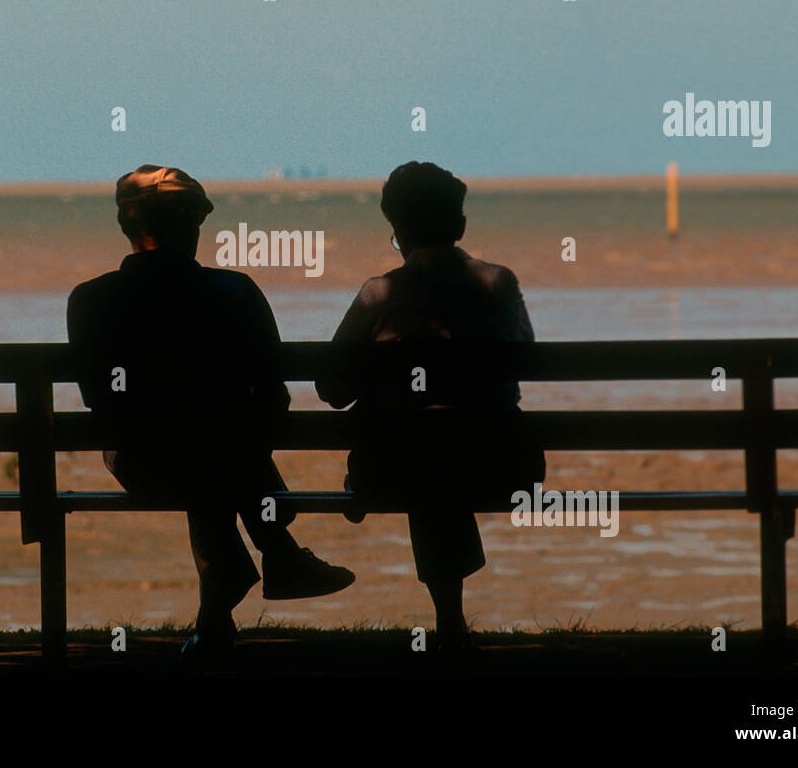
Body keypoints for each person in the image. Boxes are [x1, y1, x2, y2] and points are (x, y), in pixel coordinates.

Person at [67, 164, 354, 665]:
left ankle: (222, 615)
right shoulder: (235, 292)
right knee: (215, 445)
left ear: (127, 227)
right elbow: (274, 396)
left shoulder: (90, 300)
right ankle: (278, 557)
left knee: (200, 451)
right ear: (191, 227)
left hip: (143, 463)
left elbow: (98, 396)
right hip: (232, 460)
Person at [316, 161, 545, 656]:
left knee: (424, 447)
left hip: (396, 470)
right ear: (460, 225)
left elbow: (330, 388)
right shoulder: (498, 283)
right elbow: (521, 361)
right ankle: (451, 624)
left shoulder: (379, 294)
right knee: (440, 446)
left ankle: (449, 620)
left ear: (396, 229)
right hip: (502, 465)